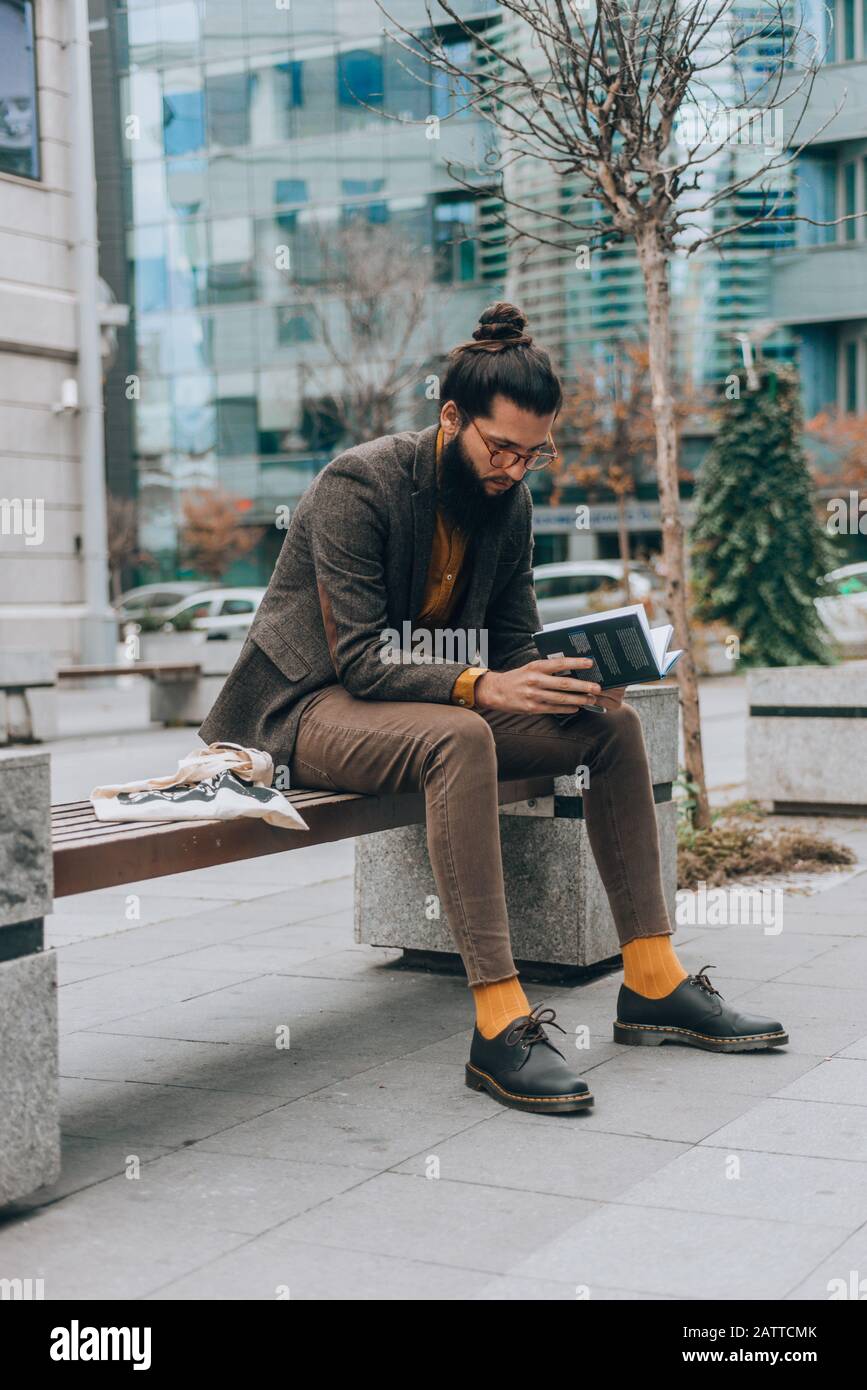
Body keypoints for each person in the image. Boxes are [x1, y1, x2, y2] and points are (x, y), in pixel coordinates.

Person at [198, 301, 788, 1114]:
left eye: (532, 453)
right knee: (459, 737)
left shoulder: (508, 505)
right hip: (307, 708)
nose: (514, 468)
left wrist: (571, 678)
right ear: (451, 417)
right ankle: (497, 1021)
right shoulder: (357, 484)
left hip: (423, 704)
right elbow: (362, 660)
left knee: (607, 727)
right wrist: (482, 686)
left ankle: (652, 981)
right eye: (500, 447)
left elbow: (511, 643)